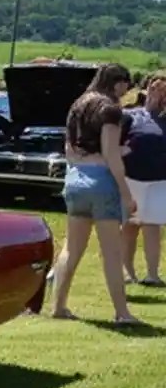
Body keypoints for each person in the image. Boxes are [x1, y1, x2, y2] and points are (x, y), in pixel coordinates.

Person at [49, 63, 143, 325]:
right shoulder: (110, 110)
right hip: (101, 182)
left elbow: (69, 148)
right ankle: (122, 313)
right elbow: (111, 153)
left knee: (72, 248)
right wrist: (126, 193)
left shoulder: (77, 105)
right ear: (117, 83)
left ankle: (58, 305)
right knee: (111, 252)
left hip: (75, 180)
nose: (127, 89)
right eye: (126, 83)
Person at [121, 72, 166, 286]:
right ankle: (127, 271)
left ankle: (152, 274)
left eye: (163, 90)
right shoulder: (131, 115)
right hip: (131, 178)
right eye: (155, 88)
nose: (158, 94)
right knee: (130, 225)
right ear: (146, 89)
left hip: (159, 180)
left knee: (152, 226)